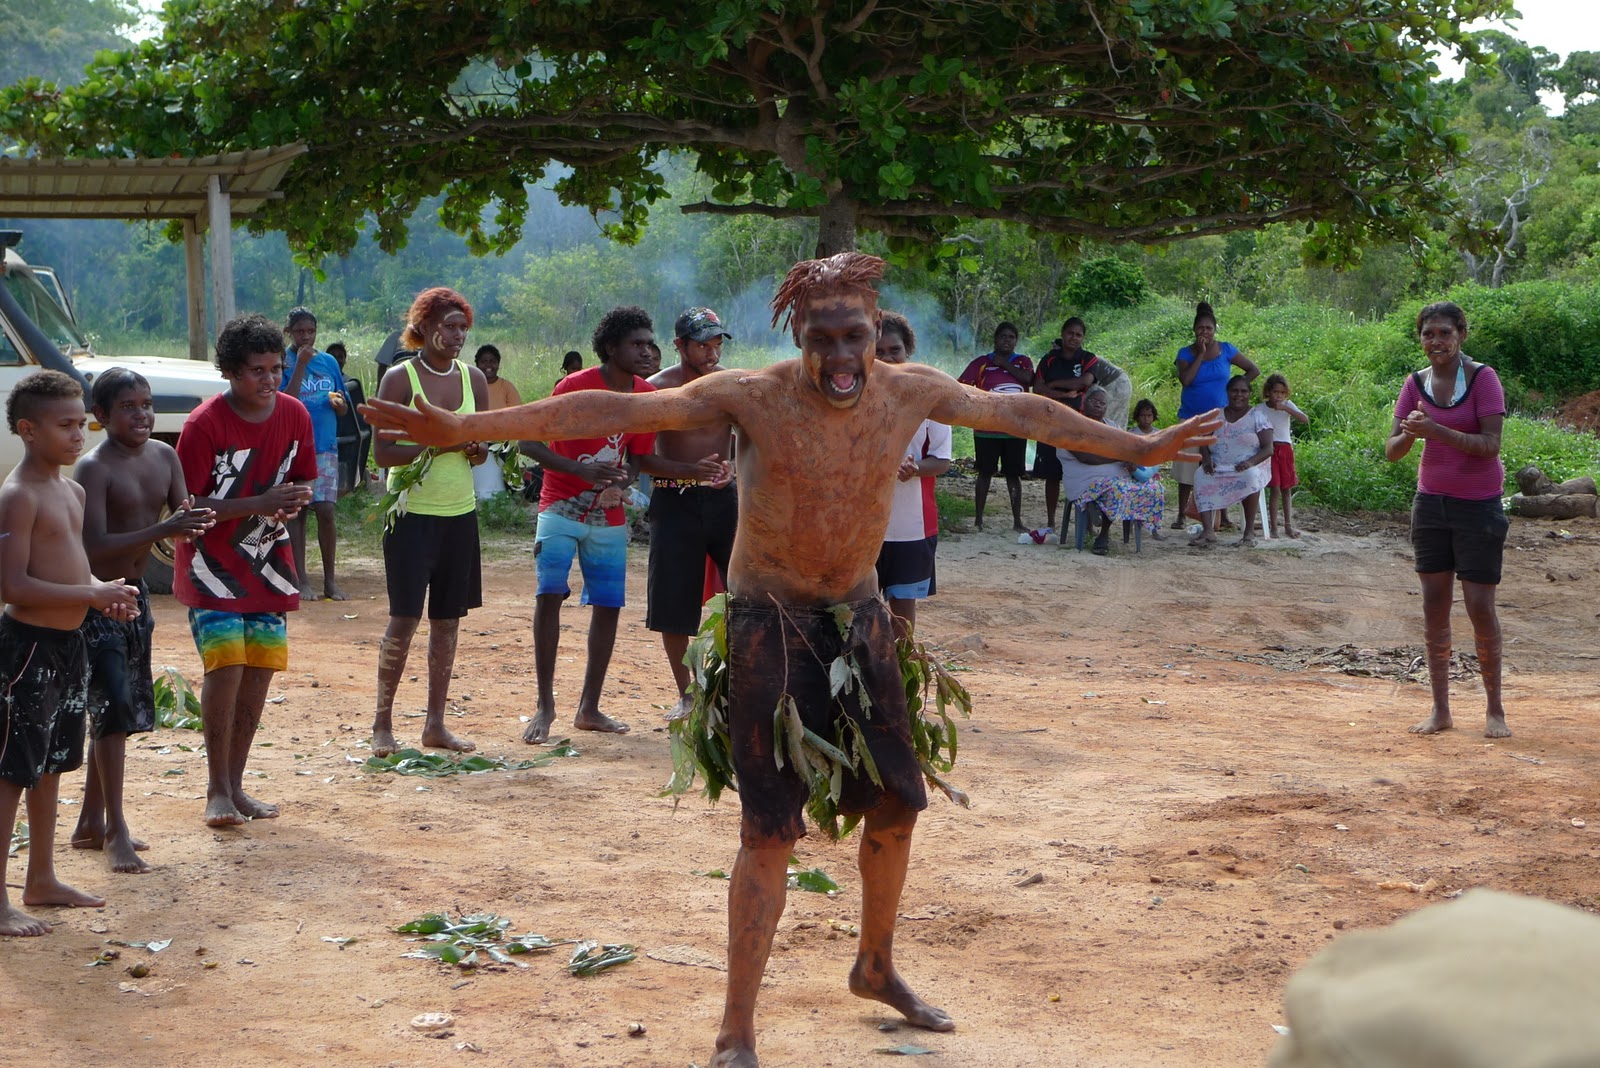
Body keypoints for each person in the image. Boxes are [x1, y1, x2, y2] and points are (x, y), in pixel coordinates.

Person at [361, 252, 1218, 1067]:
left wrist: (1137, 449)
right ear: (797, 332)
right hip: (768, 622)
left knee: (898, 805)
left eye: (855, 336)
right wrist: (466, 426)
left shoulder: (911, 393)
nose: (841, 356)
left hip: (860, 617)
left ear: (876, 329)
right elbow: (613, 413)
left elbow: (1019, 412)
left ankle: (875, 966)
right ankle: (737, 1028)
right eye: (823, 337)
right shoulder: (753, 396)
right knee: (770, 829)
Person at [0, 371, 140, 935]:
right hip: (26, 649)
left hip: (69, 645)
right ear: (27, 430)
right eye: (65, 425)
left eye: (82, 423)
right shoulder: (17, 496)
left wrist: (107, 598)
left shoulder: (73, 489)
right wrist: (90, 592)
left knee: (54, 762)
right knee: (12, 769)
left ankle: (41, 877)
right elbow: (13, 587)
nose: (78, 435)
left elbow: (73, 567)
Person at [175, 314, 317, 827]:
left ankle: (236, 785)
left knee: (258, 671)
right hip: (211, 567)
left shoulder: (296, 415)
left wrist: (290, 503)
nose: (270, 379)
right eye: (258, 370)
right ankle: (216, 790)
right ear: (231, 372)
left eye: (276, 368)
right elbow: (188, 506)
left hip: (268, 564)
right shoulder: (204, 424)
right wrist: (262, 500)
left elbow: (301, 483)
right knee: (226, 667)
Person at [72, 368, 214, 874]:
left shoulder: (164, 456)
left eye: (147, 404)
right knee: (109, 713)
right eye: (129, 407)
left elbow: (186, 513)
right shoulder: (94, 468)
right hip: (100, 604)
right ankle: (116, 829)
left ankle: (90, 820)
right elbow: (92, 546)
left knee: (118, 714)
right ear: (102, 416)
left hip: (137, 606)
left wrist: (199, 523)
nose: (143, 415)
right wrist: (169, 527)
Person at [521, 305, 658, 744]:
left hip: (609, 511)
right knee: (550, 595)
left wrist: (627, 477)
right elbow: (528, 441)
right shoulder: (574, 386)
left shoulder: (642, 395)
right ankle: (545, 705)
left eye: (648, 343)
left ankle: (589, 707)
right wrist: (580, 472)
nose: (645, 351)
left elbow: (636, 455)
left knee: (608, 604)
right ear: (610, 348)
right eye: (635, 344)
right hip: (559, 503)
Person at [369, 288, 489, 757]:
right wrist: (440, 444)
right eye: (450, 326)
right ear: (424, 327)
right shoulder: (400, 379)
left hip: (459, 515)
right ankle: (383, 724)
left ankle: (435, 725)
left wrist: (476, 449)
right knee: (403, 619)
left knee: (447, 621)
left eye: (464, 328)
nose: (458, 335)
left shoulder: (473, 379)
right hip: (411, 516)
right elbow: (382, 453)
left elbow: (478, 448)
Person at [1384, 301, 1508, 739]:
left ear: (1461, 335)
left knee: (1479, 606)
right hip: (1431, 505)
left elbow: (1490, 445)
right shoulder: (1414, 383)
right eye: (1427, 334)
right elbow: (1392, 451)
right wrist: (1410, 433)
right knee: (1434, 607)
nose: (1435, 341)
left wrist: (1437, 431)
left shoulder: (1482, 379)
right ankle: (1441, 710)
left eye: (1443, 333)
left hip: (1479, 506)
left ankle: (1495, 710)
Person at [643, 307, 736, 719]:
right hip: (673, 499)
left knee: (746, 592)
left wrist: (733, 466)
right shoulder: (653, 389)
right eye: (702, 343)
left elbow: (746, 438)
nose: (711, 351)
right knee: (673, 601)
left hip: (724, 500)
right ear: (679, 345)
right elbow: (639, 456)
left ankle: (743, 684)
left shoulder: (729, 386)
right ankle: (688, 693)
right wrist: (687, 472)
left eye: (716, 342)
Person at [875, 311, 952, 637]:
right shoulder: (853, 397)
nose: (888, 358)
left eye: (894, 350)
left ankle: (901, 671)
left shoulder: (930, 400)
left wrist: (916, 469)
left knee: (903, 615)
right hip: (865, 525)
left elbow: (942, 459)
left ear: (908, 350)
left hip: (912, 526)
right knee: (858, 609)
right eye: (878, 352)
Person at [280, 307, 348, 601]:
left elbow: (343, 406)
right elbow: (287, 401)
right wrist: (300, 366)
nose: (306, 337)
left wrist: (339, 404)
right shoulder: (283, 362)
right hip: (294, 447)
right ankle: (301, 580)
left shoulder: (329, 362)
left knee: (326, 510)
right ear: (290, 333)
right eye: (300, 332)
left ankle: (330, 581)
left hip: (325, 446)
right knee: (296, 515)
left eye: (310, 331)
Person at [1174, 302, 1259, 530]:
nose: (1205, 332)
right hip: (1191, 418)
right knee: (1187, 468)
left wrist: (1236, 391)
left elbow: (1253, 370)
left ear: (1215, 330)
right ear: (1194, 330)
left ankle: (1224, 516)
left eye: (1208, 328)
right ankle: (1182, 514)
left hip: (1220, 419)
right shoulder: (1185, 353)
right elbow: (1186, 380)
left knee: (1220, 465)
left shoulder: (1227, 349)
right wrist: (1200, 355)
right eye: (1200, 328)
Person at [957, 321, 1033, 532]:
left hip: (1015, 430)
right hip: (986, 430)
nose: (1007, 340)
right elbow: (961, 385)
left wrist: (1005, 364)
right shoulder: (981, 363)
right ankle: (979, 520)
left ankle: (1017, 521)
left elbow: (1029, 379)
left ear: (1016, 341)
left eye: (1011, 337)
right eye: (1003, 336)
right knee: (984, 473)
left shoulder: (1023, 362)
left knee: (1014, 475)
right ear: (995, 339)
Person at [1190, 375, 1273, 548]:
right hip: (1218, 466)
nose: (1239, 395)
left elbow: (1268, 449)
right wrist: (1206, 459)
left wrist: (1250, 462)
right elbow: (1203, 441)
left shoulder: (1257, 416)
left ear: (1249, 394)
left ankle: (1248, 532)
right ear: (1227, 392)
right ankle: (1208, 531)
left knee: (1250, 477)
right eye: (1234, 391)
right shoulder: (1216, 415)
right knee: (1200, 475)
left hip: (1247, 466)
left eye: (1243, 391)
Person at [1257, 373, 1308, 538]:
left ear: (1286, 394)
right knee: (1275, 488)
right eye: (1275, 392)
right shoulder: (1261, 409)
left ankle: (1288, 525)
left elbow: (1304, 419)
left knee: (1287, 488)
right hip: (1269, 450)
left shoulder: (1288, 405)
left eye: (1281, 393)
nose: (1278, 396)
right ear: (1268, 392)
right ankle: (1273, 528)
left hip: (1285, 450)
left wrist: (1286, 408)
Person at [471, 343, 524, 500]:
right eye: (484, 361)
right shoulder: (471, 386)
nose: (488, 365)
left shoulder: (506, 387)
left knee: (511, 464)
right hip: (476, 439)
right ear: (477, 364)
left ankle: (519, 497)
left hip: (502, 439)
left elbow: (516, 414)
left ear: (498, 364)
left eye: (492, 361)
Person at [1129, 398, 1165, 539]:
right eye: (1143, 415)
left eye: (1149, 415)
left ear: (1153, 416)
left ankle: (1155, 529)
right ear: (1137, 416)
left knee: (1158, 493)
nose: (1146, 419)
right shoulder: (1132, 434)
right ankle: (1130, 527)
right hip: (1134, 473)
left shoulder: (1158, 434)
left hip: (1152, 473)